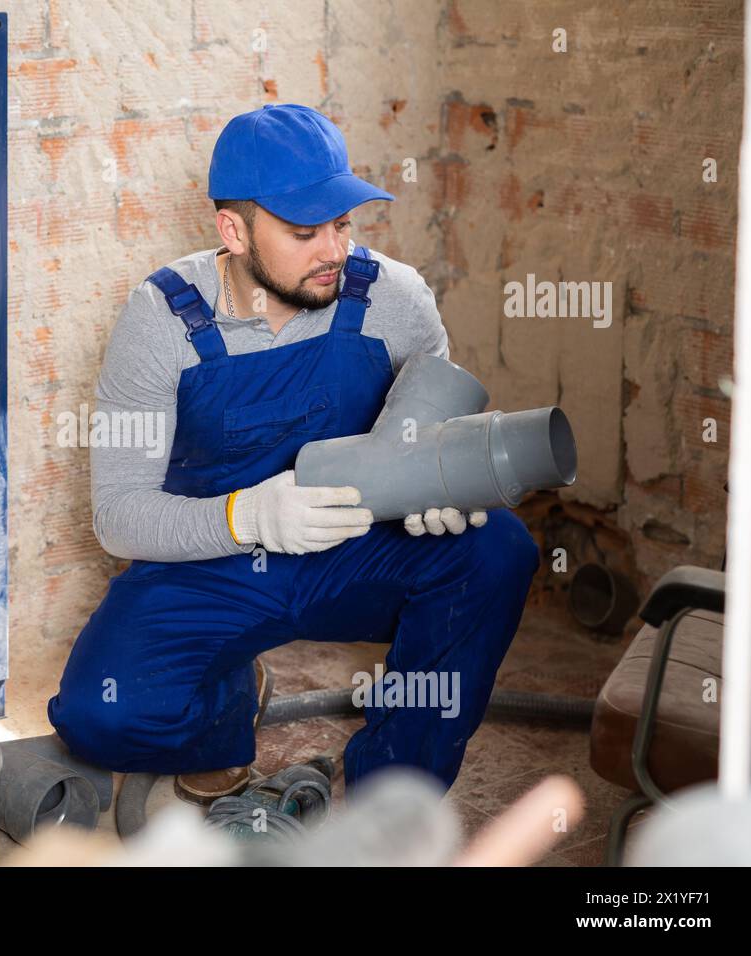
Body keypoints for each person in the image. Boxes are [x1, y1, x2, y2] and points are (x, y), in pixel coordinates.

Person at [47, 104, 540, 806]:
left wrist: (443, 496)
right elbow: (119, 517)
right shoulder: (162, 322)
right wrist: (248, 517)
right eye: (305, 232)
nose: (333, 250)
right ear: (233, 230)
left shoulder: (394, 301)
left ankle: (393, 797)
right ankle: (223, 710)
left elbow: (432, 449)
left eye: (341, 224)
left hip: (358, 550)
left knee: (497, 550)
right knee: (100, 715)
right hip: (214, 562)